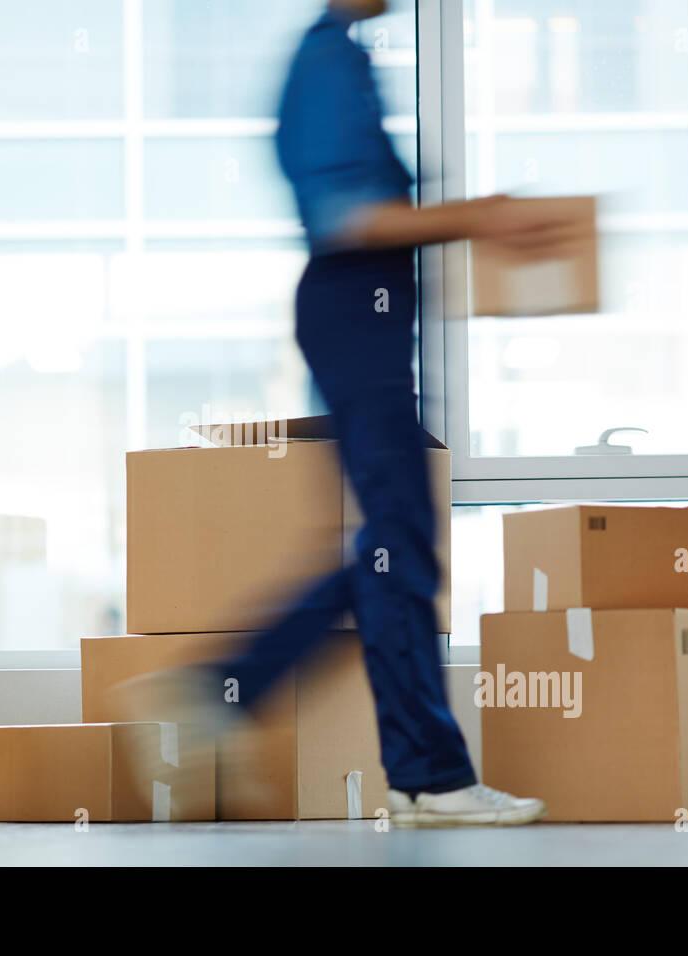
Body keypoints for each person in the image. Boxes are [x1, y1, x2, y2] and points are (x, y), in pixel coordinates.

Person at [129, 0, 583, 828]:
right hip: (351, 311)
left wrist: (477, 221)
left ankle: (403, 766)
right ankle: (411, 770)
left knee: (390, 541)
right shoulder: (328, 62)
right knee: (396, 536)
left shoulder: (339, 57)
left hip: (362, 319)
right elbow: (352, 219)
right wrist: (485, 216)